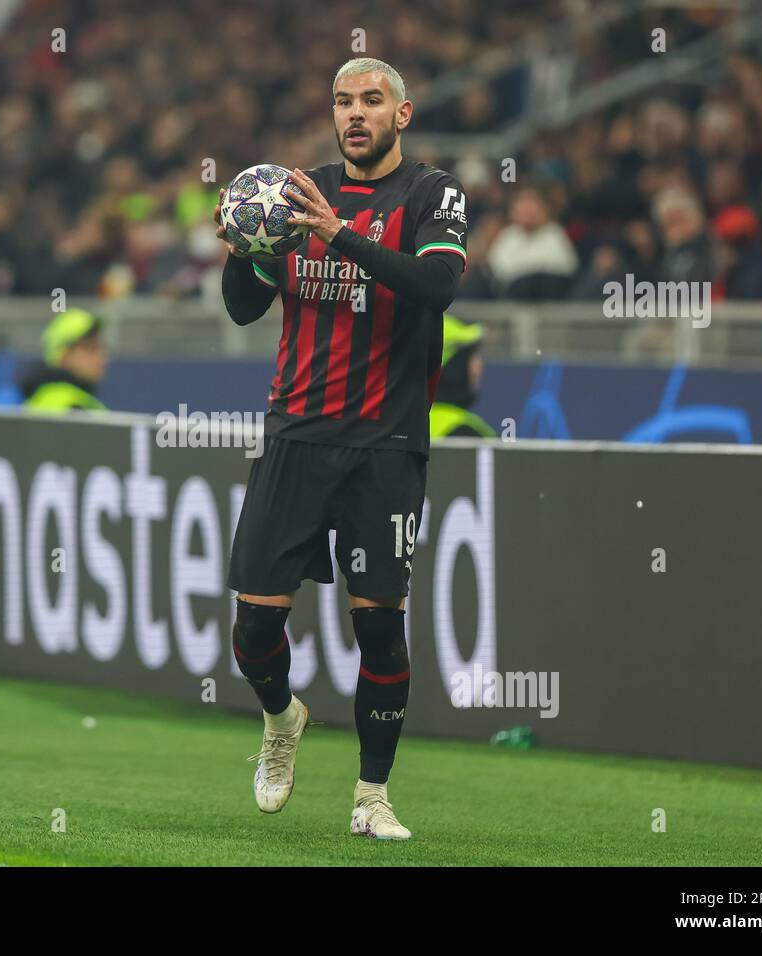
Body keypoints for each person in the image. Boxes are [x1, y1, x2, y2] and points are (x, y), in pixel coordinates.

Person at [217, 57, 466, 841]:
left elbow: (435, 288)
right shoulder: (293, 194)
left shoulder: (432, 195)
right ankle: (281, 718)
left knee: (380, 627)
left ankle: (371, 797)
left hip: (386, 446)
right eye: (341, 101)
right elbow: (242, 309)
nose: (353, 113)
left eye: (371, 100)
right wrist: (245, 246)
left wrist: (338, 234)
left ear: (403, 113)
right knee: (254, 630)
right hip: (295, 435)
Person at [18, 308, 109, 412]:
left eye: (101, 347)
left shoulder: (80, 400)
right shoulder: (65, 406)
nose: (101, 357)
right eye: (90, 348)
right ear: (63, 356)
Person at [429, 315, 496, 438]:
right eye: (472, 357)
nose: (478, 367)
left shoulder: (402, 425)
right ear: (454, 366)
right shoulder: (466, 432)